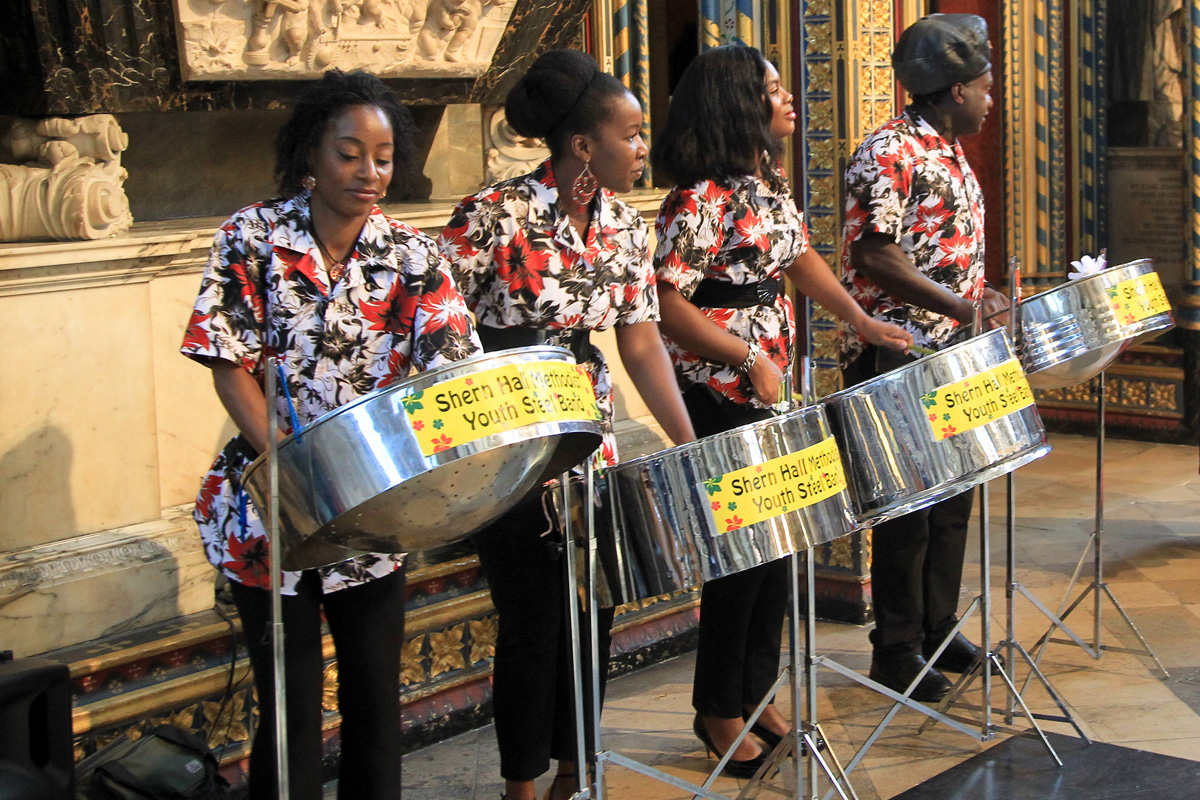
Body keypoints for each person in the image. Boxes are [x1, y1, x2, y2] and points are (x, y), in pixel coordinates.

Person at [181, 70, 480, 800]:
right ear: (311, 154)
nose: (369, 172)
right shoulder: (251, 236)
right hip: (270, 509)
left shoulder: (414, 257)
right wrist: (292, 465)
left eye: (382, 156)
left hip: (374, 513)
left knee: (376, 704)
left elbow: (447, 376)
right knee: (288, 707)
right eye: (350, 154)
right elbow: (228, 363)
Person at [438, 49, 696, 800]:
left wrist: (691, 444)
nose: (644, 146)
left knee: (597, 610)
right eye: (633, 132)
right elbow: (436, 325)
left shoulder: (625, 226)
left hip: (593, 438)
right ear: (583, 144)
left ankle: (580, 774)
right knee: (530, 621)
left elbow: (641, 341)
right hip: (509, 440)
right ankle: (522, 783)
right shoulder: (493, 214)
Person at [649, 45, 912, 777]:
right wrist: (746, 358)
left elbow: (799, 262)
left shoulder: (762, 185)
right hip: (720, 388)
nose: (788, 97)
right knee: (739, 558)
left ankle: (757, 691)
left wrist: (858, 319)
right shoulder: (697, 198)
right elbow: (668, 303)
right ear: (740, 104)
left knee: (780, 546)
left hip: (770, 385)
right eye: (772, 89)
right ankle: (717, 708)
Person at [838, 13, 1007, 703]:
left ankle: (940, 629)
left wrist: (980, 295)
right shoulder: (888, 152)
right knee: (908, 511)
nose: (991, 99)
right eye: (986, 86)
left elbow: (941, 249)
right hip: (899, 352)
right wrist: (964, 307)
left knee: (954, 502)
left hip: (954, 353)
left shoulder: (947, 148)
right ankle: (896, 649)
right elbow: (874, 256)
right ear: (954, 88)